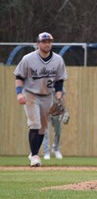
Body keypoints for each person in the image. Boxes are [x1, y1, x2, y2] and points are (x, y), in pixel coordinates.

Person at [14, 32, 68, 167]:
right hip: (31, 93)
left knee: (43, 128)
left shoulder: (58, 60)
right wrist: (19, 93)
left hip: (47, 95)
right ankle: (35, 157)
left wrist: (59, 96)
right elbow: (19, 77)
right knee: (35, 124)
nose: (47, 44)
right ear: (38, 44)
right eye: (44, 42)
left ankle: (33, 153)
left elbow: (59, 80)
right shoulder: (28, 59)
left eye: (49, 41)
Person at [41, 91, 69, 160]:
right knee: (45, 131)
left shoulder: (58, 82)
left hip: (57, 110)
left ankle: (56, 148)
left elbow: (63, 96)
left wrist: (64, 110)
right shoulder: (44, 82)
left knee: (58, 130)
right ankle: (46, 152)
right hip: (46, 109)